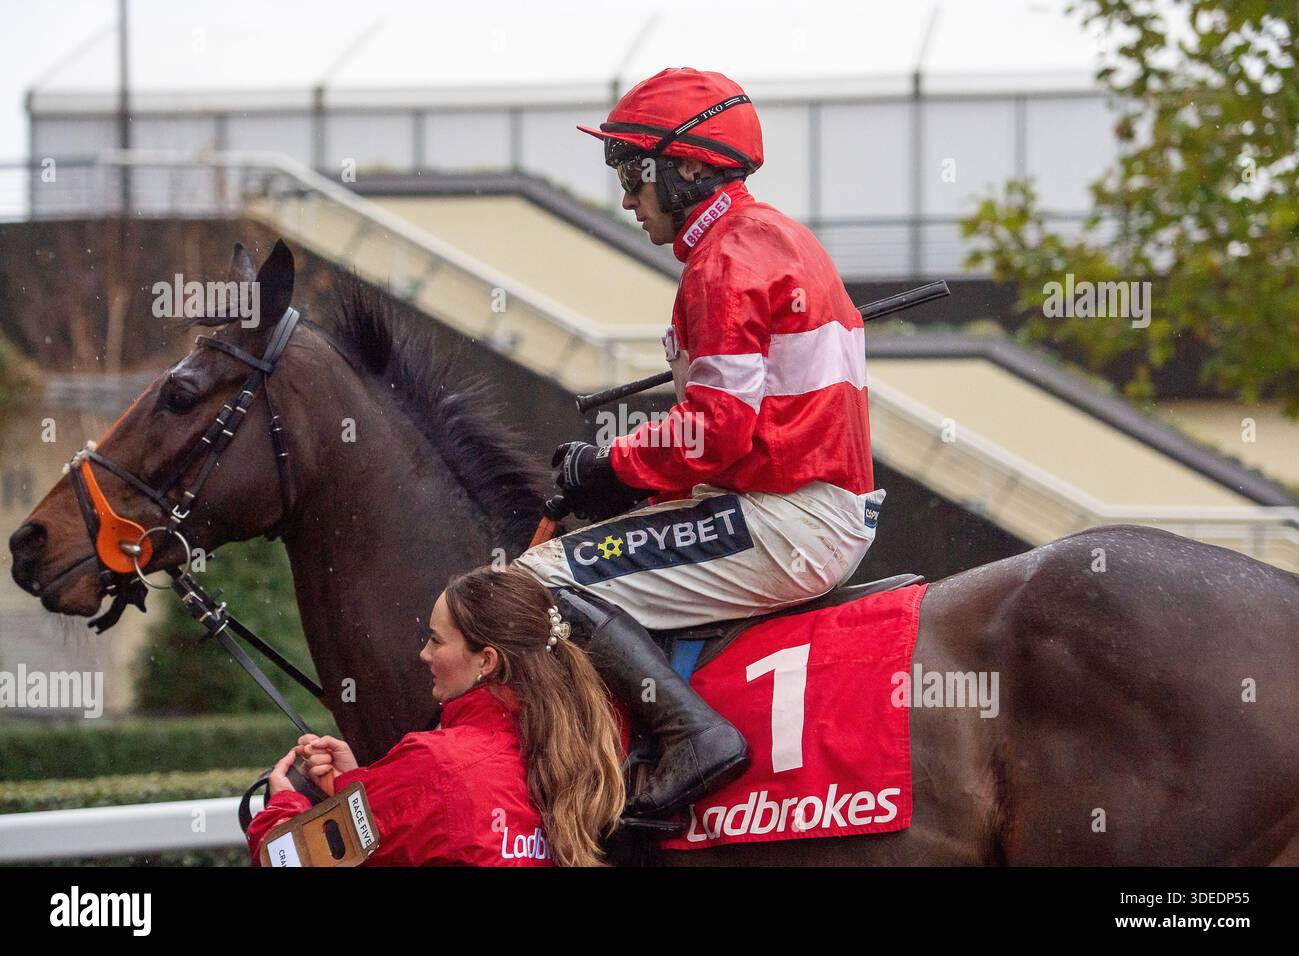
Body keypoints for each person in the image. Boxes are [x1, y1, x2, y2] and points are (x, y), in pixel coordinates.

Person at [514, 67, 886, 819]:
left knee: (532, 585)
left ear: (687, 166)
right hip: (805, 507)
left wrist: (608, 464)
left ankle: (694, 739)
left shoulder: (724, 262)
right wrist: (631, 480)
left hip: (785, 520)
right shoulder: (773, 236)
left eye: (632, 172)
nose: (625, 197)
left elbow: (715, 433)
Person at [245, 566, 625, 867]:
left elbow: (287, 859)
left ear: (486, 661)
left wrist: (284, 805)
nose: (424, 654)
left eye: (437, 640)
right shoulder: (563, 753)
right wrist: (358, 783)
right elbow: (419, 826)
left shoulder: (437, 764)